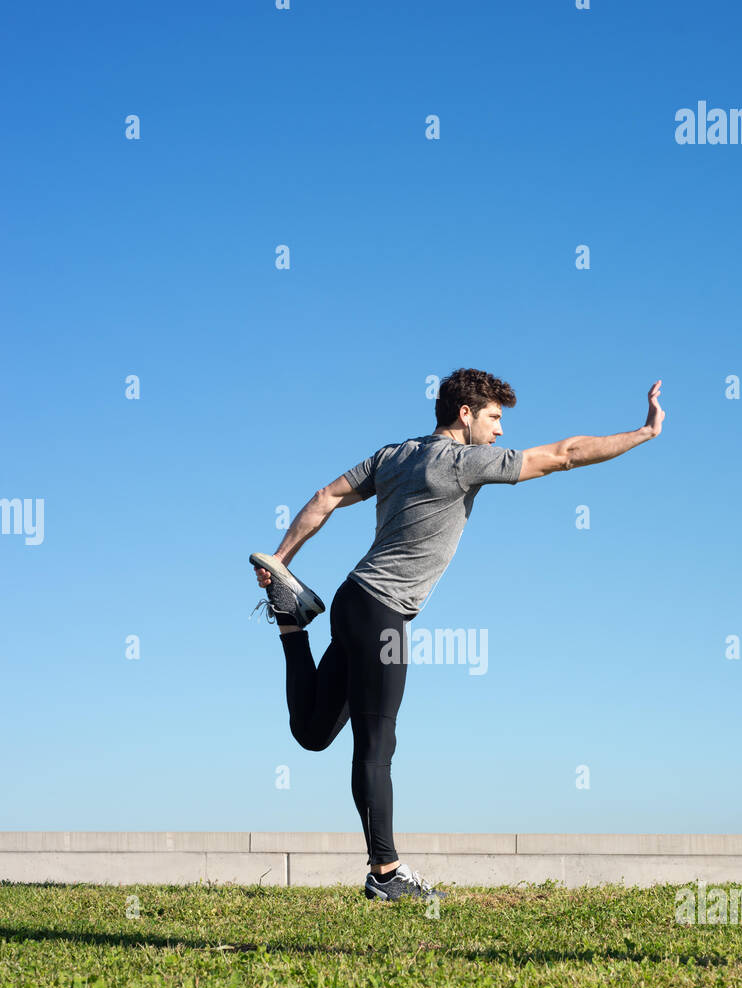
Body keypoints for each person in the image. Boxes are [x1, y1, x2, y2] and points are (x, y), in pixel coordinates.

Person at [249, 368, 664, 902]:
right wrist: (644, 433)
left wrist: (282, 560)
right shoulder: (461, 461)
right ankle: (386, 873)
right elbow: (563, 453)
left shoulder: (392, 456)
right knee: (377, 742)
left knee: (312, 732)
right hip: (383, 615)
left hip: (353, 600)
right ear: (464, 414)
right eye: (494, 417)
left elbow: (325, 495)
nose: (499, 431)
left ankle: (290, 622)